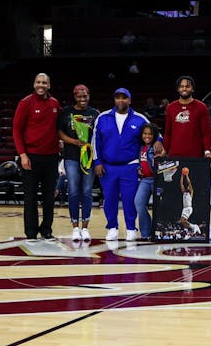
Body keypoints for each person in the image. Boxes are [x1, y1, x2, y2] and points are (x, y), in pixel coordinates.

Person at [92, 88, 157, 242]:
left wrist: (159, 141)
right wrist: (97, 162)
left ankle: (130, 228)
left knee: (129, 199)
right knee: (110, 198)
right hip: (108, 166)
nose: (121, 100)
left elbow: (155, 134)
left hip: (130, 166)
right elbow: (95, 141)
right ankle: (112, 227)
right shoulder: (103, 117)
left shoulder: (139, 118)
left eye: (124, 98)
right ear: (114, 100)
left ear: (129, 100)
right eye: (118, 98)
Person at [13, 73, 61, 242]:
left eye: (44, 82)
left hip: (51, 157)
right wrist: (23, 154)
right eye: (38, 82)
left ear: (49, 85)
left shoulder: (55, 104)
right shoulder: (25, 103)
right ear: (34, 84)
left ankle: (46, 229)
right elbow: (17, 130)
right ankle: (31, 232)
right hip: (31, 157)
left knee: (49, 197)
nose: (41, 85)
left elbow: (57, 128)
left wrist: (59, 142)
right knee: (30, 196)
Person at [57, 84, 100, 242]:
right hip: (71, 157)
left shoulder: (95, 114)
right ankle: (75, 227)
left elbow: (99, 135)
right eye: (79, 97)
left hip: (89, 158)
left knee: (87, 191)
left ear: (89, 96)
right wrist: (74, 141)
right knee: (74, 191)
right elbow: (60, 132)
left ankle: (85, 228)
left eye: (85, 96)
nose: (83, 99)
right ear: (74, 97)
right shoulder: (67, 112)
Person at [163, 75, 211, 159]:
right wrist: (164, 150)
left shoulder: (201, 107)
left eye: (187, 86)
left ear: (192, 89)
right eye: (181, 86)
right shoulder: (170, 107)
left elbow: (206, 133)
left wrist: (207, 151)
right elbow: (168, 133)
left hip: (196, 156)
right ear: (178, 89)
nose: (184, 89)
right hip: (175, 155)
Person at [134, 123, 163, 240]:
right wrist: (139, 168)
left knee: (159, 207)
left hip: (157, 180)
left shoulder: (156, 146)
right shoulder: (141, 147)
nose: (147, 136)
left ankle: (159, 232)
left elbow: (164, 155)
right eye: (145, 134)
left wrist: (162, 154)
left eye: (150, 134)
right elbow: (140, 161)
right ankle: (146, 233)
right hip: (145, 180)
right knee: (139, 203)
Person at [178, 168, 201, 237]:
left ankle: (194, 226)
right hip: (184, 208)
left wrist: (187, 175)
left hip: (188, 208)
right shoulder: (184, 192)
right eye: (187, 187)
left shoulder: (191, 192)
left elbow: (189, 183)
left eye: (189, 187)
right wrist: (182, 175)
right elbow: (181, 183)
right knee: (182, 222)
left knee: (182, 220)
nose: (188, 187)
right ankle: (193, 226)